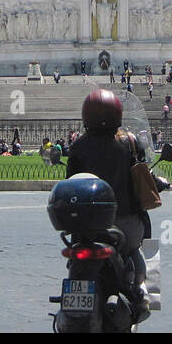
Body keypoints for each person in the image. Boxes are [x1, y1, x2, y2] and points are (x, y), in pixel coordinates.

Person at [64, 90, 150, 321]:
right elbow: (143, 173)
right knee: (138, 246)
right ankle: (143, 291)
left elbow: (69, 182)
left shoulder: (78, 147)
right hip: (123, 220)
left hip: (86, 224)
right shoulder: (129, 143)